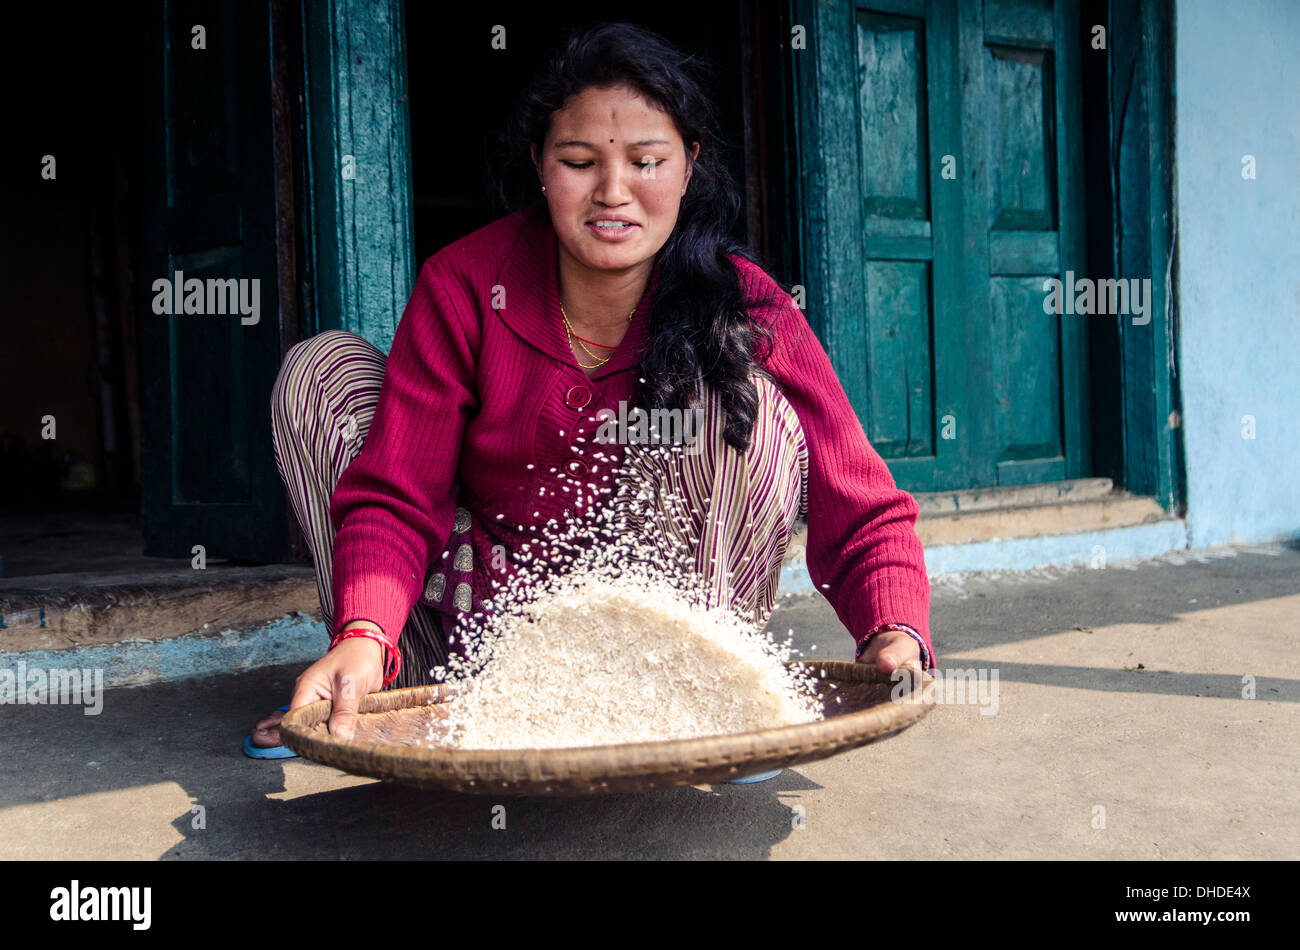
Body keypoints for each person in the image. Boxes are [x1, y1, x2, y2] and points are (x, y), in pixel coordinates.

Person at [246, 21, 932, 756]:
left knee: (742, 399)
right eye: (579, 161)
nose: (614, 193)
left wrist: (893, 631)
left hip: (658, 655)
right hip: (468, 636)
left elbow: (857, 499)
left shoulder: (748, 304)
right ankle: (375, 686)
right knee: (320, 369)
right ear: (541, 163)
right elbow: (396, 493)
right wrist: (362, 628)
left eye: (647, 161)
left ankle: (710, 706)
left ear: (689, 166)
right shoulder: (466, 285)